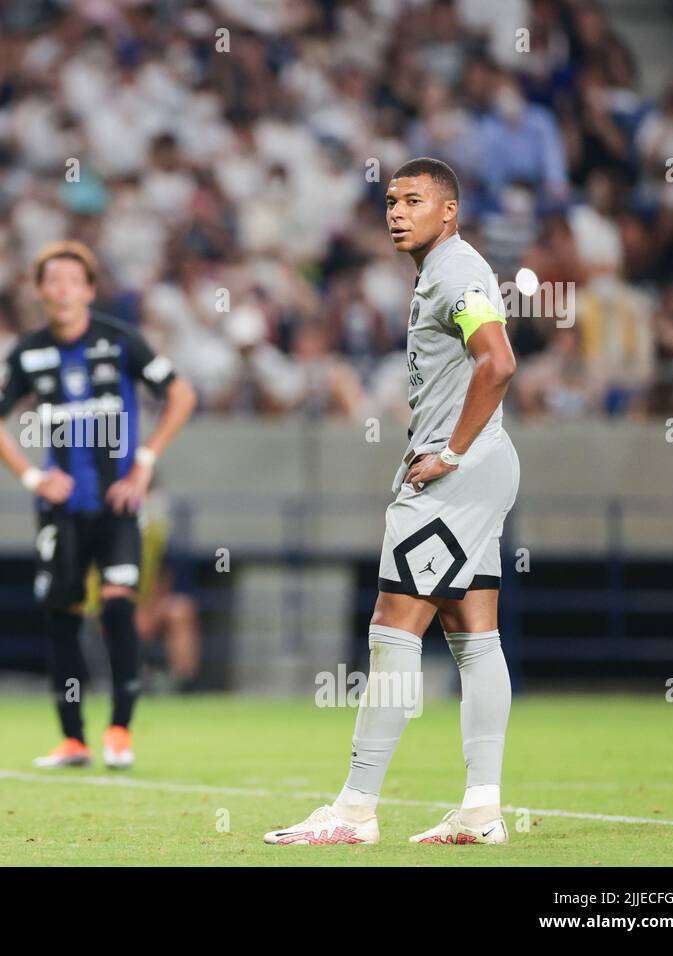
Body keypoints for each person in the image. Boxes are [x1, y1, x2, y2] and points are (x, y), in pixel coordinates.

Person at [266, 158, 520, 845]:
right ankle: (481, 809)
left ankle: (354, 809)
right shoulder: (443, 272)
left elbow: (498, 362)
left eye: (413, 199)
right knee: (474, 637)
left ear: (449, 211)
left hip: (452, 476)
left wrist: (452, 453)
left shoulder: (456, 272)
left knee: (393, 626)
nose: (397, 212)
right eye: (390, 201)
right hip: (483, 468)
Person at [0, 240, 195, 770]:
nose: (62, 290)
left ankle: (119, 730)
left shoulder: (119, 341)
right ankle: (73, 739)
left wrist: (143, 462)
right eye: (51, 281)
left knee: (119, 604)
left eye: (72, 280)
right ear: (39, 291)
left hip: (118, 503)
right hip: (61, 508)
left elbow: (181, 395)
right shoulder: (28, 352)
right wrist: (32, 476)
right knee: (63, 615)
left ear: (89, 289)